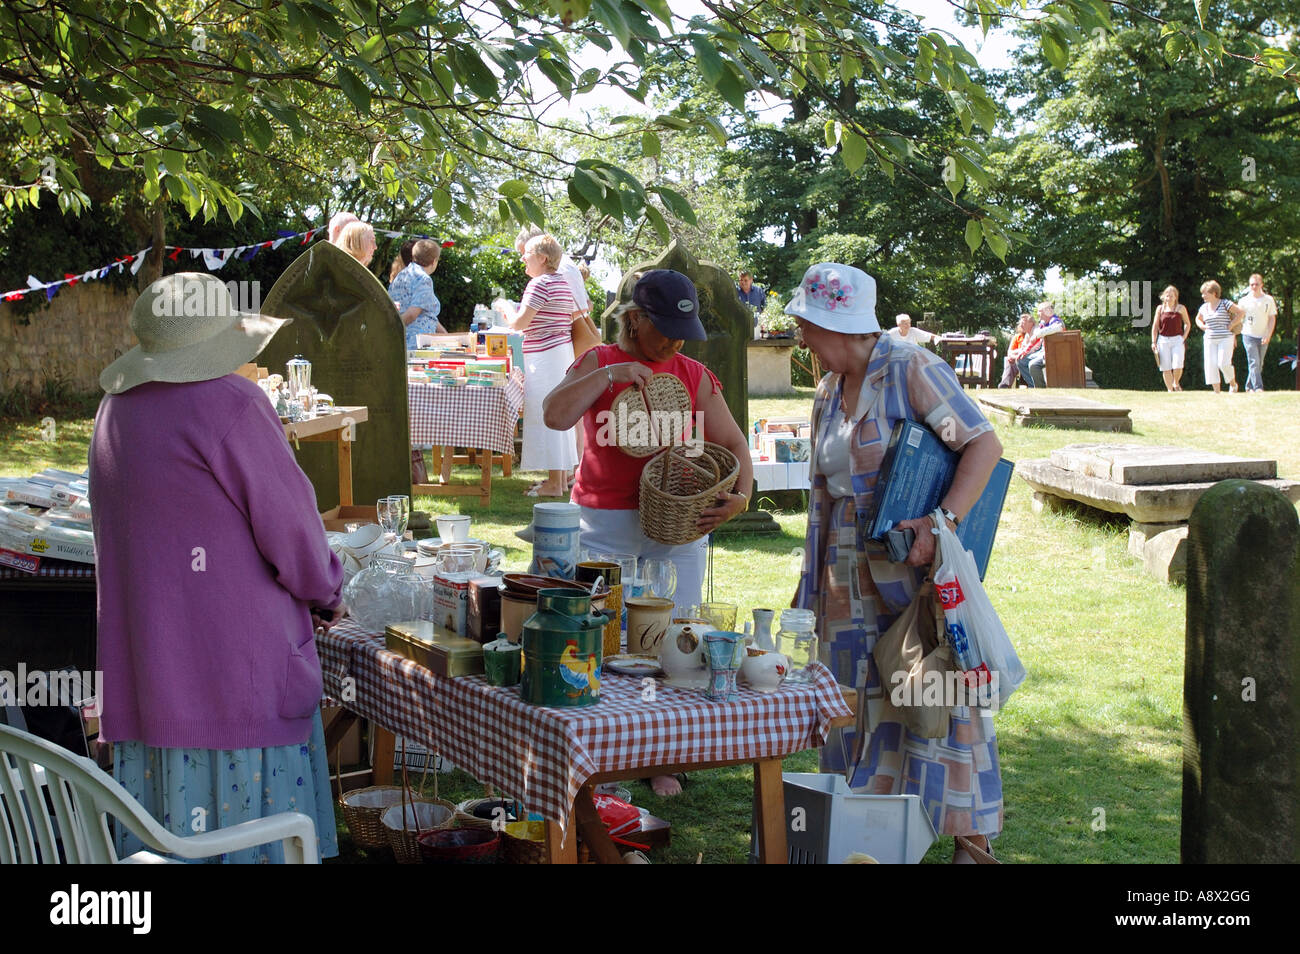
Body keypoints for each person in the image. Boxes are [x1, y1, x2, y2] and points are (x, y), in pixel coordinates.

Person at [90, 273, 344, 863]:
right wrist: (329, 592)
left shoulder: (114, 409)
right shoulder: (233, 403)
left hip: (149, 687)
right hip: (235, 693)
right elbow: (297, 539)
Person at [785, 261, 1005, 863]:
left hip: (914, 567)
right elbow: (825, 497)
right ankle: (867, 832)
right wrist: (810, 588)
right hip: (841, 575)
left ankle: (971, 838)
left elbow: (983, 443)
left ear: (839, 324)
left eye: (807, 325)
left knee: (932, 691)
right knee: (855, 698)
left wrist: (944, 523)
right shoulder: (829, 389)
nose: (801, 337)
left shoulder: (908, 366)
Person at [543, 269, 754, 797]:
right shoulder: (598, 361)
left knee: (674, 640)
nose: (675, 339)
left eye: (682, 330)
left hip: (678, 524)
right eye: (662, 327)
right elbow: (553, 415)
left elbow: (736, 443)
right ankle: (601, 756)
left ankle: (664, 755)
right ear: (633, 319)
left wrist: (741, 497)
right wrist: (609, 378)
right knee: (598, 637)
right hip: (602, 522)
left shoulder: (693, 374)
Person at [505, 233, 580, 498]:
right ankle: (557, 482)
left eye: (527, 253)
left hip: (545, 358)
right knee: (558, 417)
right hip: (560, 354)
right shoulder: (561, 282)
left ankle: (553, 483)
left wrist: (505, 310)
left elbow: (519, 324)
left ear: (542, 258)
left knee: (547, 415)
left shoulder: (539, 285)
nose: (523, 257)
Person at [389, 239, 446, 348]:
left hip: (398, 341)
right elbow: (412, 314)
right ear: (434, 261)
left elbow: (426, 314)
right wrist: (394, 327)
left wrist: (446, 336)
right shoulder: (424, 279)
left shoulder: (400, 276)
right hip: (416, 344)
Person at [1196, 280, 1244, 393]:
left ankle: (1233, 384)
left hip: (1225, 338)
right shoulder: (1204, 307)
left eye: (1205, 293)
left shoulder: (1225, 303)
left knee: (1223, 363)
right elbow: (1198, 319)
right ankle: (1216, 392)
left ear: (1214, 293)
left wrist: (1232, 324)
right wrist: (1202, 326)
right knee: (1210, 364)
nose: (1203, 296)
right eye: (1202, 293)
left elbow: (1241, 312)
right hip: (1209, 339)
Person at [1237, 273, 1278, 393]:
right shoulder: (1244, 300)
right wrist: (1233, 334)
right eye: (1251, 284)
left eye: (1256, 284)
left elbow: (1272, 318)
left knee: (1259, 364)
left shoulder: (1268, 300)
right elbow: (1238, 319)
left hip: (1263, 335)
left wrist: (1268, 334)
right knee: (1254, 361)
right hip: (1248, 335)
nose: (1254, 287)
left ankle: (1249, 386)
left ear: (1262, 285)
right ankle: (1258, 387)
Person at [1151, 286, 1192, 392]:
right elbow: (1155, 326)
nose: (1169, 298)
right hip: (1163, 340)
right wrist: (1153, 342)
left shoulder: (1181, 308)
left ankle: (1176, 382)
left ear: (1175, 297)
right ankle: (1170, 390)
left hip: (1177, 339)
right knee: (1165, 367)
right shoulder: (1160, 309)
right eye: (1167, 295)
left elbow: (1187, 324)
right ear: (1164, 297)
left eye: (1171, 295)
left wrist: (1184, 336)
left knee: (1178, 363)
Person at [1018, 301, 1063, 387]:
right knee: (1021, 360)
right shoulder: (1043, 324)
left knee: (1033, 365)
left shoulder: (1056, 321)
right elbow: (1033, 340)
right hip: (1043, 352)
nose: (1038, 314)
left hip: (1053, 353)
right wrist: (1023, 351)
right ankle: (1032, 385)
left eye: (1040, 311)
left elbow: (1058, 328)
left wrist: (1037, 335)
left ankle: (1040, 388)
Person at [998, 313, 1035, 387]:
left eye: (1023, 323)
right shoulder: (1017, 337)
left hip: (1028, 359)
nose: (1021, 325)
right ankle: (1004, 385)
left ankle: (1031, 384)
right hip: (1016, 359)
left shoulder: (1034, 335)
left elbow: (1029, 350)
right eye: (1020, 323)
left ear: (1031, 324)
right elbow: (1010, 352)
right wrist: (1012, 356)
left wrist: (1016, 355)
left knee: (1019, 360)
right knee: (1007, 359)